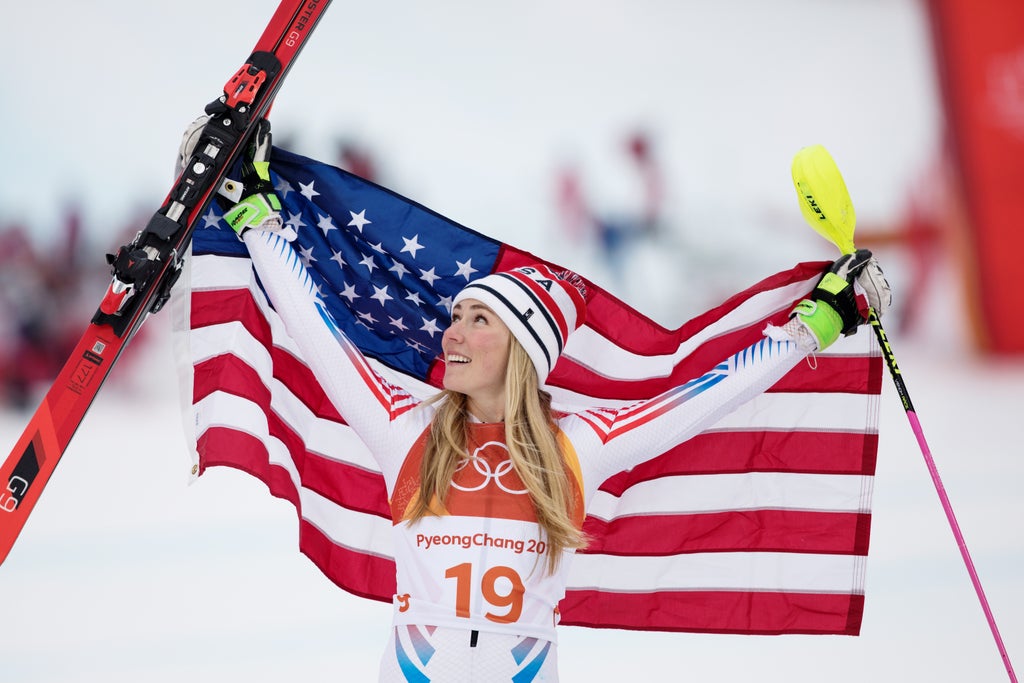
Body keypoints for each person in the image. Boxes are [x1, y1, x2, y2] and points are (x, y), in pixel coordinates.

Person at [207, 123, 891, 682]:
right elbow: (318, 332)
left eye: (480, 320)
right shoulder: (405, 432)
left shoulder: (577, 446)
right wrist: (259, 219)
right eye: (457, 316)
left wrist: (814, 325)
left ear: (523, 353)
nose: (454, 332)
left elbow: (701, 398)